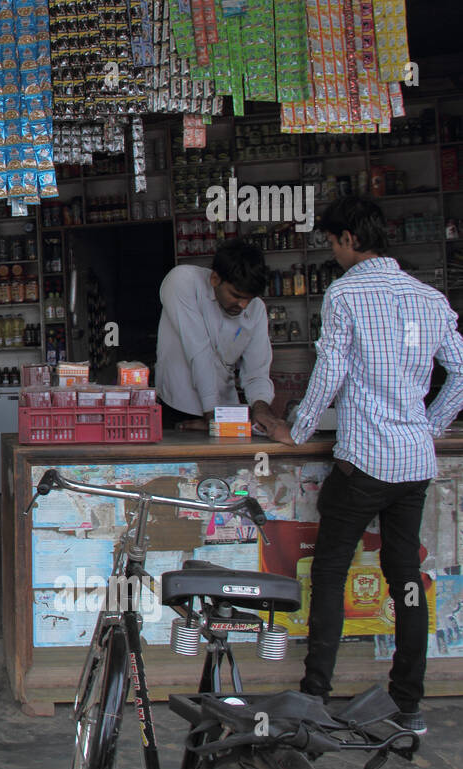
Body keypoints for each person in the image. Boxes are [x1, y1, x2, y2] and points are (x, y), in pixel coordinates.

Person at [266, 197, 463, 735]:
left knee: (329, 571)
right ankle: (409, 704)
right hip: (414, 465)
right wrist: (429, 426)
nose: (331, 251)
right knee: (404, 578)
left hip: (366, 461)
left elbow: (330, 370)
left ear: (350, 238)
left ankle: (315, 695)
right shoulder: (429, 297)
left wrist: (295, 430)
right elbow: (461, 371)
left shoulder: (346, 293)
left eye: (331, 241)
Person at [155, 239, 284, 431]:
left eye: (249, 298)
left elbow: (257, 372)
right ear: (215, 279)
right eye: (236, 295)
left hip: (224, 411)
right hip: (177, 406)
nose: (243, 305)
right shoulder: (182, 282)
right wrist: (212, 416)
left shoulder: (256, 309)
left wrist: (261, 407)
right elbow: (199, 350)